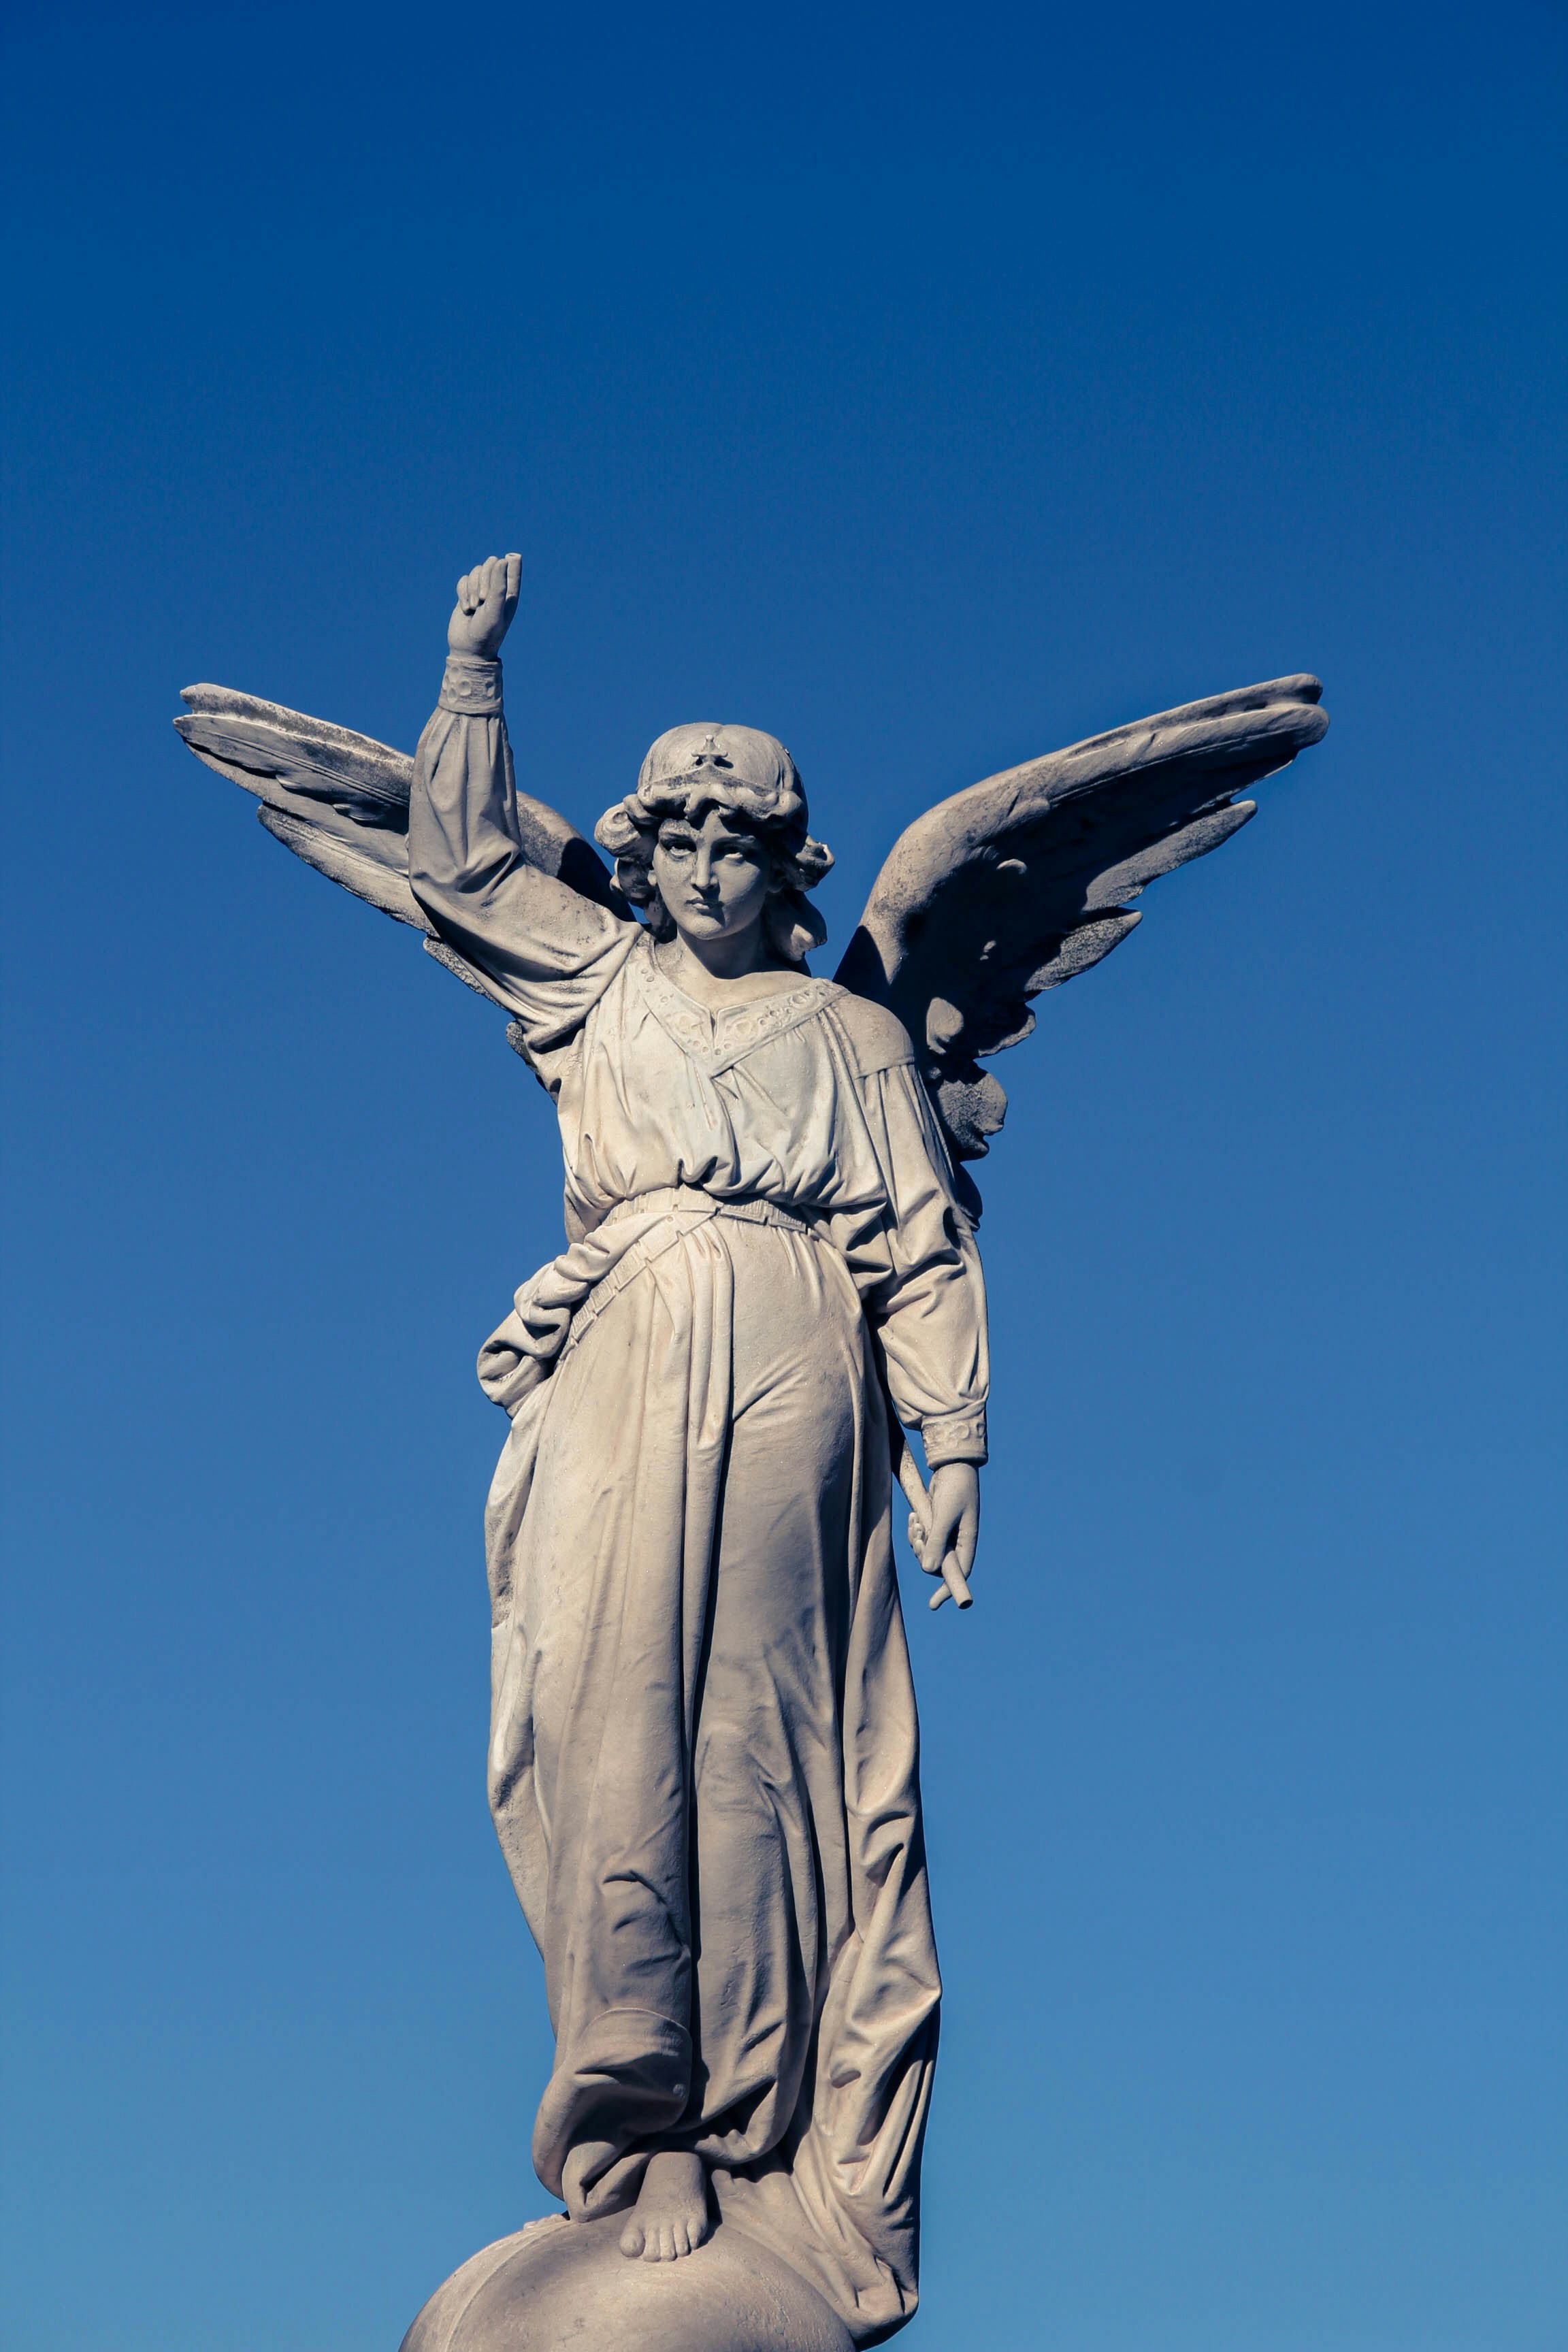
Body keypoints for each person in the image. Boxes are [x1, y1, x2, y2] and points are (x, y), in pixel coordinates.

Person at [406, 555, 990, 2344]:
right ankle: (630, 2103)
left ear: (786, 865)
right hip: (622, 1353)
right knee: (599, 1728)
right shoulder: (595, 990)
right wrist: (473, 671)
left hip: (795, 1364)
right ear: (646, 854)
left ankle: (731, 2123)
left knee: (753, 1746)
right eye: (681, 844)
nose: (709, 874)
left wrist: (950, 1436)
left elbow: (916, 1239)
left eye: (743, 848)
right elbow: (458, 863)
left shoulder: (851, 1037)